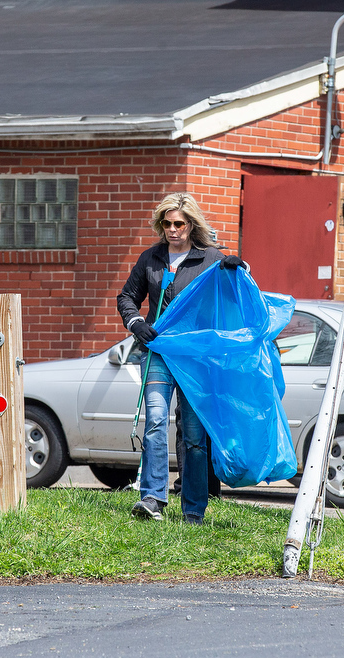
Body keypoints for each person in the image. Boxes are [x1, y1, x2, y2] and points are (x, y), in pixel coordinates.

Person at [116, 192, 245, 524]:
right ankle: (152, 499)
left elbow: (236, 291)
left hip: (194, 359)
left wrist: (237, 267)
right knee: (155, 421)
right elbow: (127, 297)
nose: (172, 230)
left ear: (191, 225)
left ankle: (193, 510)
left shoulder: (209, 258)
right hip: (158, 352)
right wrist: (136, 323)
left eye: (179, 224)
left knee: (194, 436)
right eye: (167, 224)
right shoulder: (151, 258)